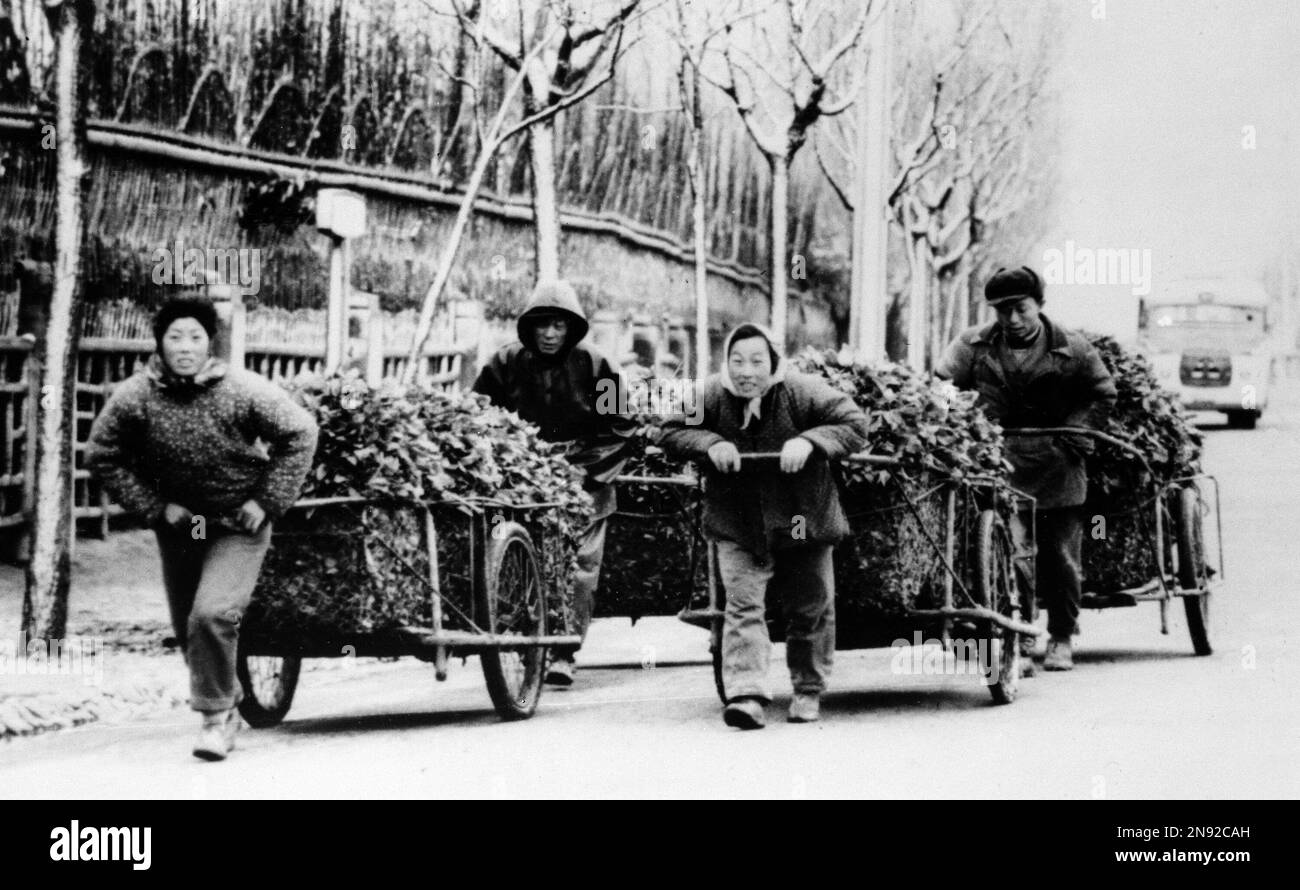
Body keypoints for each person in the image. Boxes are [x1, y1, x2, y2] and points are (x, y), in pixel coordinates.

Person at [87, 297, 318, 760]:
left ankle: (216, 721)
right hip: (184, 526)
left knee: (210, 614)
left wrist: (266, 500)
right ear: (160, 343)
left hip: (237, 523)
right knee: (187, 625)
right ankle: (226, 700)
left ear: (210, 343)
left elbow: (301, 432)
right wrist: (153, 505)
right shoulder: (137, 395)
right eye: (175, 337)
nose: (185, 347)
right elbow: (101, 454)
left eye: (195, 337)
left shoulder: (241, 389)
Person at [658, 323, 869, 729]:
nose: (746, 371)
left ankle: (808, 688)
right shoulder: (711, 396)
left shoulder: (802, 391)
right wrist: (710, 444)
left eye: (757, 361)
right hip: (739, 521)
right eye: (737, 361)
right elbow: (670, 431)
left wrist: (809, 441)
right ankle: (747, 694)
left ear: (773, 362)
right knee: (742, 603)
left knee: (810, 604)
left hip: (799, 516)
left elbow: (854, 424)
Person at [936, 266, 1116, 672]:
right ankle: (1018, 636)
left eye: (1020, 309)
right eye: (1002, 311)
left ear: (1040, 305)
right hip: (1000, 465)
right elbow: (942, 387)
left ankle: (1063, 636)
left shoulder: (1074, 348)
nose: (1012, 320)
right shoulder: (973, 345)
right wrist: (948, 425)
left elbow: (1102, 393)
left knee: (1061, 557)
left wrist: (1079, 431)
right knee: (1012, 553)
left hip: (1058, 464)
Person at [472, 280, 634, 686]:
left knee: (579, 566)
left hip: (586, 482)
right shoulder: (504, 364)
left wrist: (585, 471)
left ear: (572, 328)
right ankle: (526, 643)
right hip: (523, 480)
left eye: (559, 326)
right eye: (542, 325)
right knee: (521, 559)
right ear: (528, 327)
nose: (549, 334)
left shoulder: (596, 366)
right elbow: (477, 418)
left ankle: (564, 651)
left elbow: (622, 426)